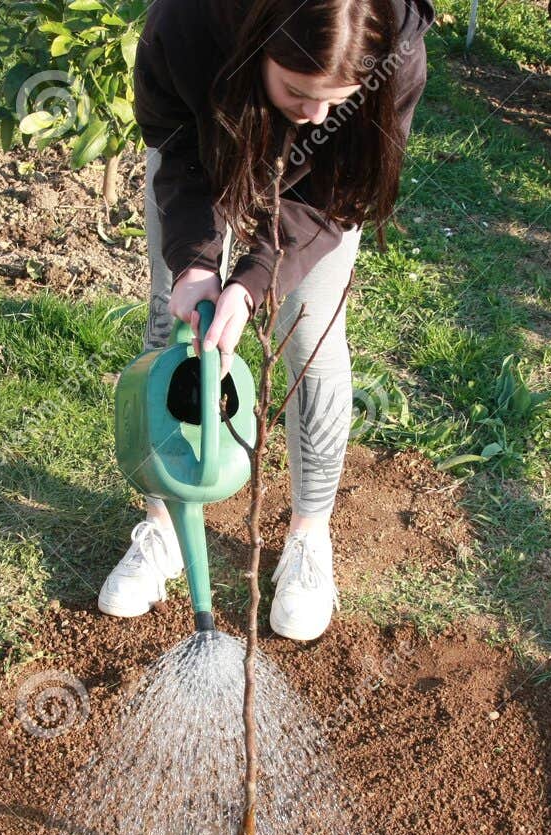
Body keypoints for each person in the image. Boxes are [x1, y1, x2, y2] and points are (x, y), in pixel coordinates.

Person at [98, 0, 435, 641]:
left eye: (336, 99)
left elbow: (335, 198)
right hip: (201, 151)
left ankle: (309, 536)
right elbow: (175, 149)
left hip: (321, 193)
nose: (314, 114)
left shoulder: (396, 54)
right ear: (259, 42)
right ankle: (165, 527)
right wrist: (197, 263)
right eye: (298, 91)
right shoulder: (187, 24)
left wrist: (254, 281)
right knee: (174, 319)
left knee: (309, 332)